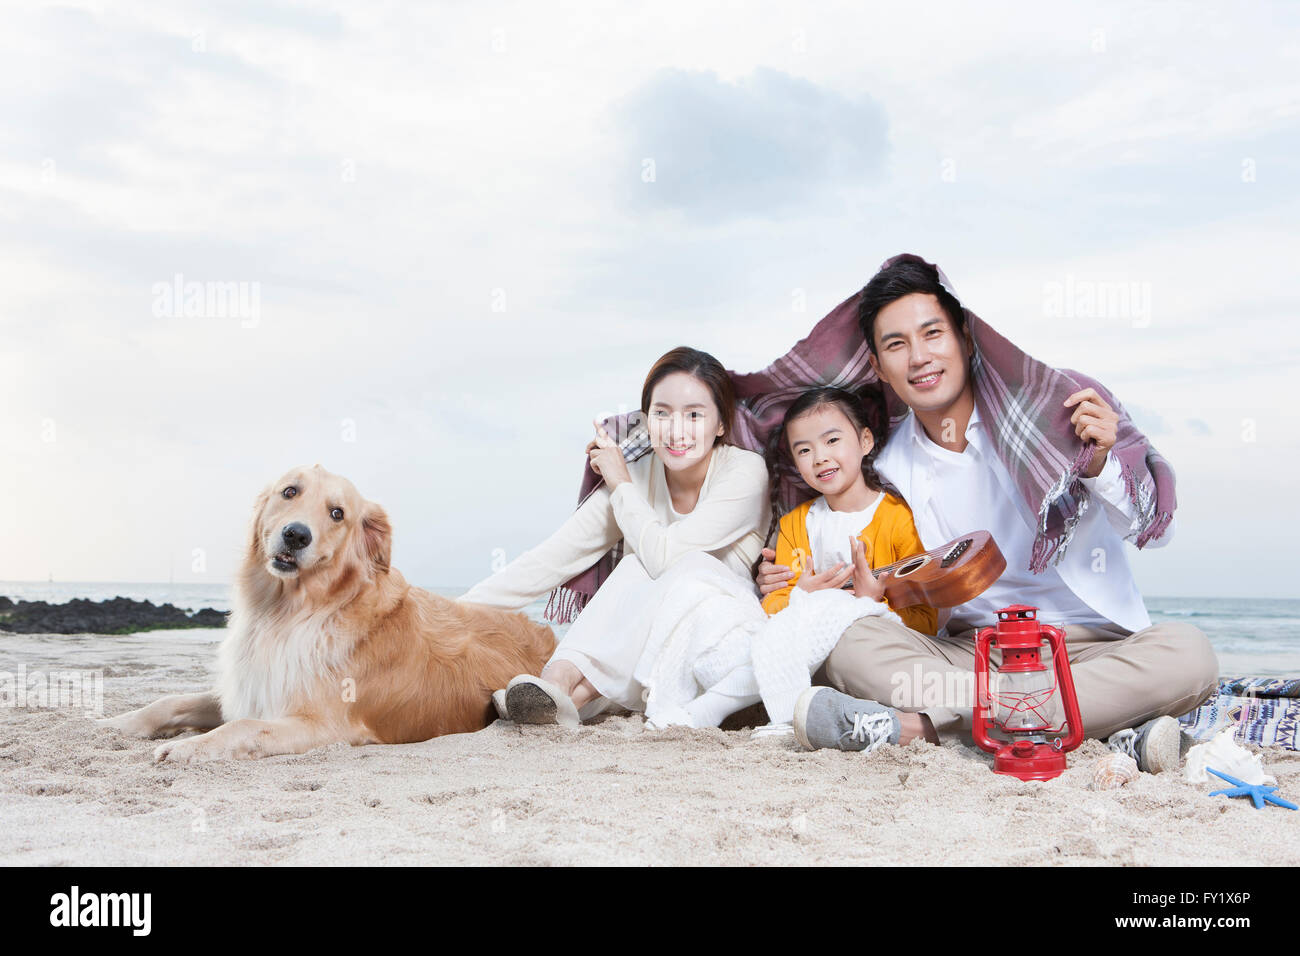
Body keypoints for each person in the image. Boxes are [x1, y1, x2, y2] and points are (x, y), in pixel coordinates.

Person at [757, 255, 1218, 773]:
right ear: (880, 366)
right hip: (967, 656)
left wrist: (1101, 464)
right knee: (845, 642)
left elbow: (1157, 532)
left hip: (1088, 649)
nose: (918, 358)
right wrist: (781, 574)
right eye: (896, 345)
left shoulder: (1053, 413)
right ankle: (1091, 725)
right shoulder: (883, 466)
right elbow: (836, 543)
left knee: (1190, 654)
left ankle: (925, 728)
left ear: (966, 338)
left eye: (932, 334)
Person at [458, 346, 769, 727]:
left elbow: (665, 557)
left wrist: (620, 481)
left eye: (694, 415)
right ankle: (558, 695)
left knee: (656, 563)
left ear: (721, 424)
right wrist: (450, 613)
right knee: (641, 569)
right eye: (662, 413)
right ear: (646, 417)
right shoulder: (637, 475)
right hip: (644, 653)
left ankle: (559, 685)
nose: (676, 430)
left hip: (721, 645)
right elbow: (552, 559)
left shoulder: (744, 471)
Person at [756, 384, 936, 638]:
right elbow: (771, 606)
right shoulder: (794, 524)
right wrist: (802, 596)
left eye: (832, 440)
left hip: (879, 645)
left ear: (865, 441)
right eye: (804, 450)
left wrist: (871, 605)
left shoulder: (900, 519)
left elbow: (927, 620)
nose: (819, 457)